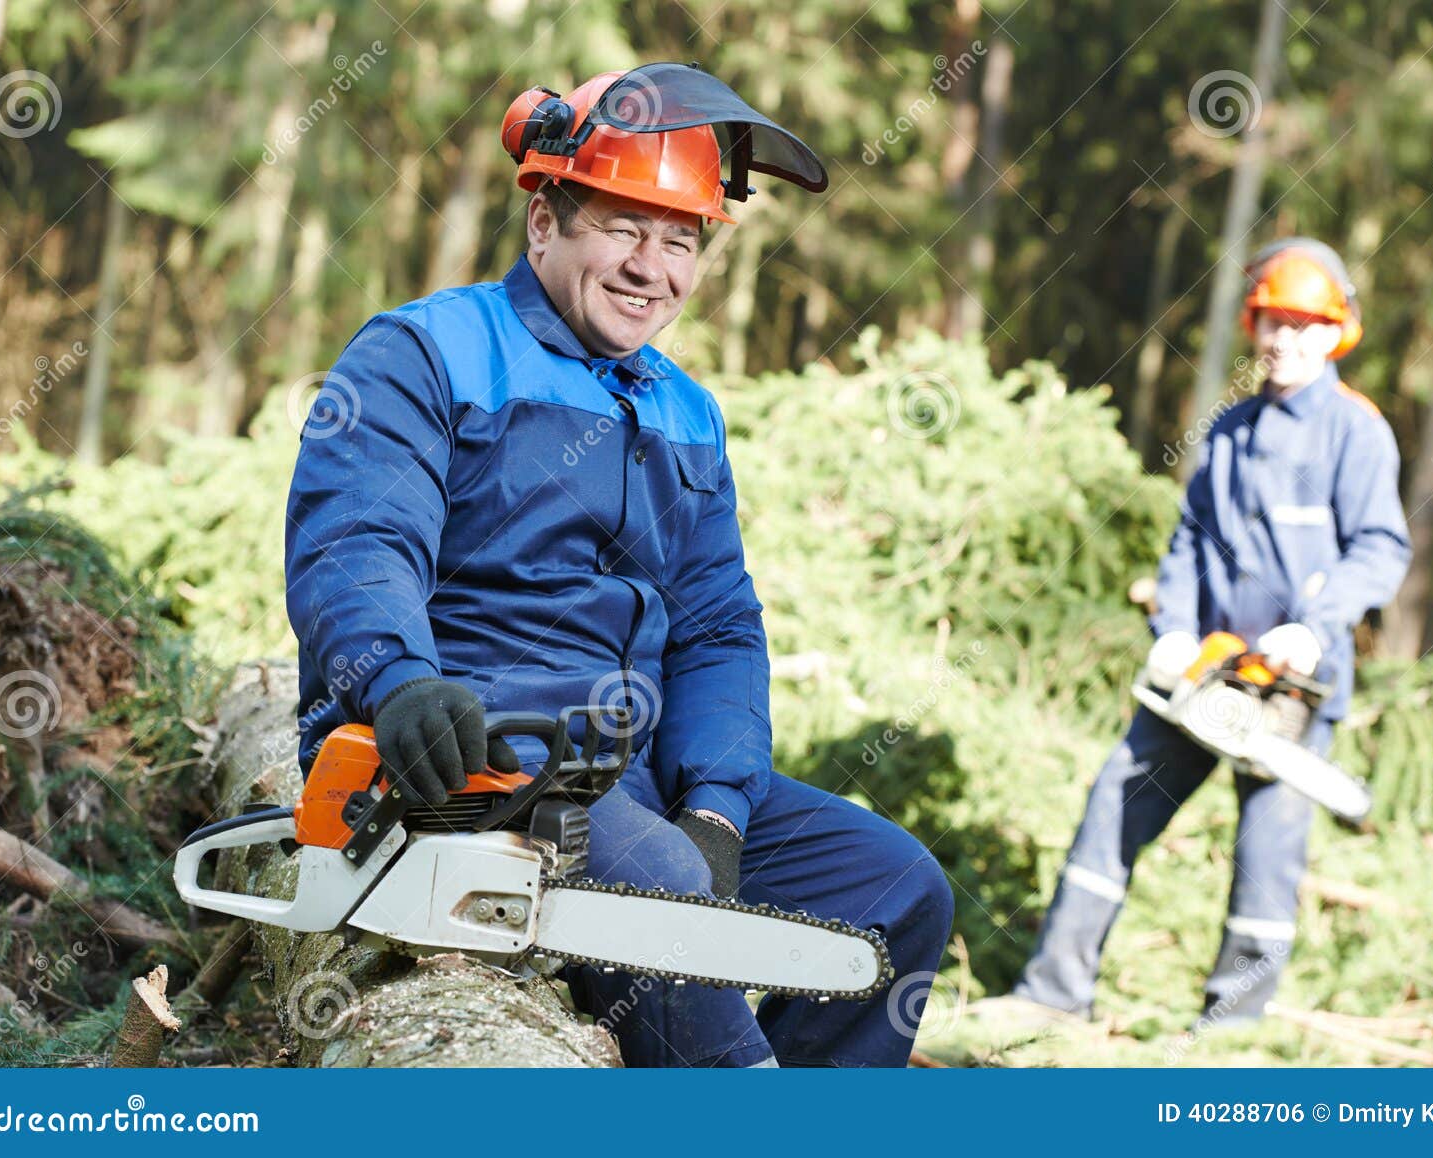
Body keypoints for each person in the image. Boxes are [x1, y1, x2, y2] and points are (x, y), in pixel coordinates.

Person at [283, 63, 952, 1067]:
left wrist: (720, 803)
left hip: (626, 774)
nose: (653, 267)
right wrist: (399, 684)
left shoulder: (684, 409)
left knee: (895, 888)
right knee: (672, 894)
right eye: (624, 227)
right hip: (478, 760)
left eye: (679, 239)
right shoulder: (426, 353)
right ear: (544, 221)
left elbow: (720, 624)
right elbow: (358, 542)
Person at [1002, 238, 1411, 1028]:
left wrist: (1317, 631)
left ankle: (1230, 1028)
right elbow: (1190, 542)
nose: (1283, 339)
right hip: (1209, 678)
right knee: (1116, 806)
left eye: (1302, 323)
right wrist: (1176, 630)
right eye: (1272, 322)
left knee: (1267, 855)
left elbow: (1381, 549)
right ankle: (1052, 994)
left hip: (1295, 685)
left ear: (1334, 334)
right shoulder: (1230, 430)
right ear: (1254, 328)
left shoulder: (1356, 434)